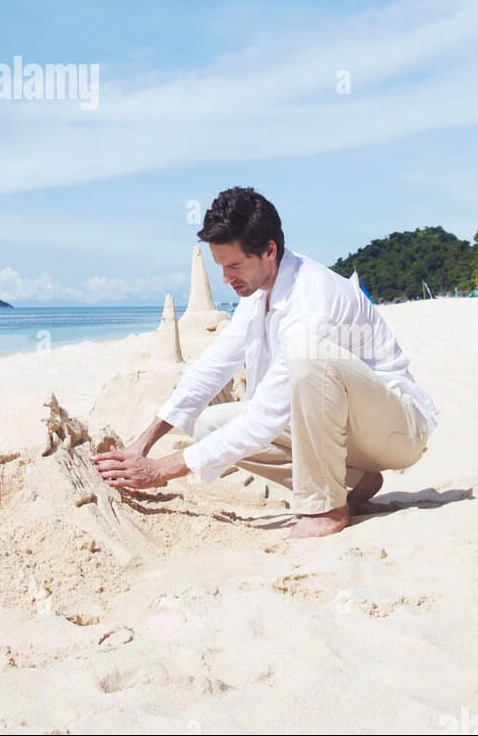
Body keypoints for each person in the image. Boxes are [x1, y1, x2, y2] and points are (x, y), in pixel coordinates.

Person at [91, 187, 437, 538]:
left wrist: (159, 470)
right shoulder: (259, 295)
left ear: (269, 250)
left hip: (397, 428)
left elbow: (263, 419)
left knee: (306, 355)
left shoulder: (311, 299)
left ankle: (328, 509)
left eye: (234, 266)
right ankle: (356, 482)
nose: (226, 279)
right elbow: (212, 368)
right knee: (210, 424)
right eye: (221, 267)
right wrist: (143, 443)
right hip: (353, 432)